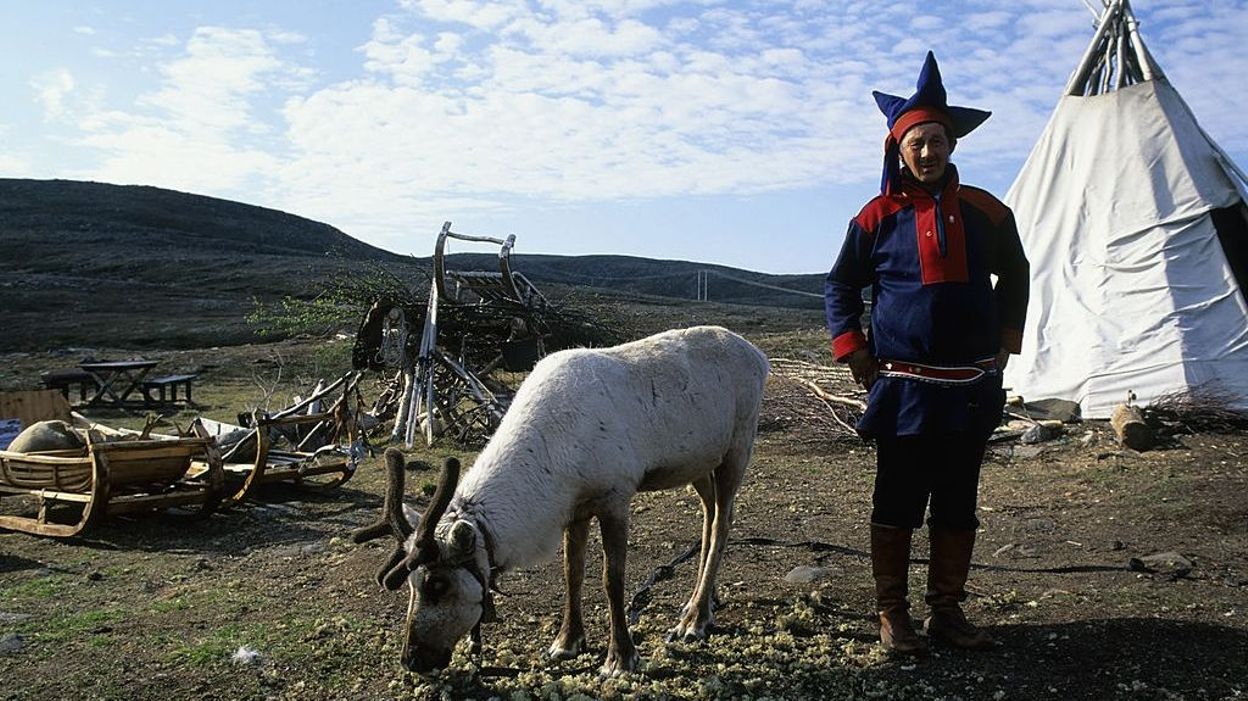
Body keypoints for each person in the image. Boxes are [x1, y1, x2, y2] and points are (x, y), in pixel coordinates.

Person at [824, 51, 1029, 654]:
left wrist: (1006, 343)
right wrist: (854, 350)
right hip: (904, 387)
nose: (928, 151)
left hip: (970, 386)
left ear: (952, 144)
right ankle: (893, 613)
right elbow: (840, 284)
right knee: (898, 498)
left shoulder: (988, 212)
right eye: (917, 142)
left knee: (959, 501)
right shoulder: (876, 216)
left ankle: (947, 611)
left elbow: (1017, 274)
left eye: (937, 140)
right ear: (899, 149)